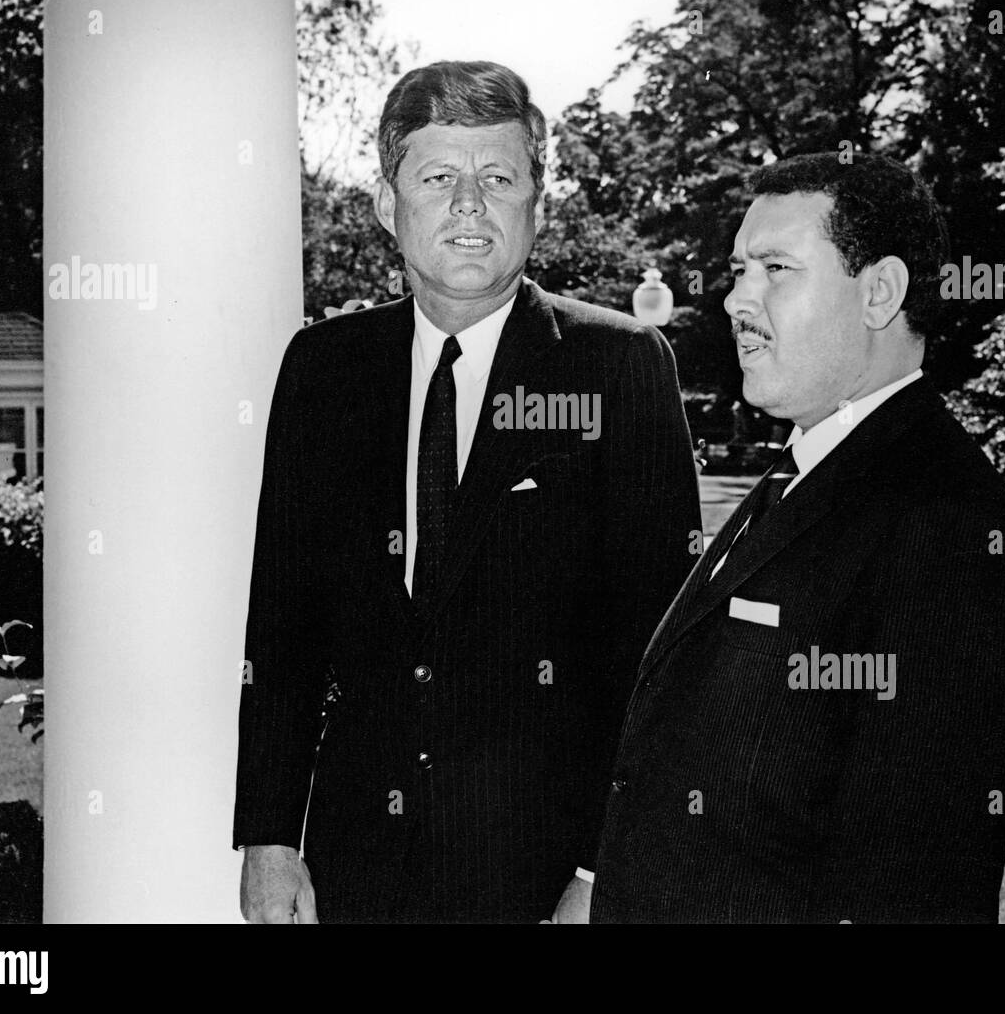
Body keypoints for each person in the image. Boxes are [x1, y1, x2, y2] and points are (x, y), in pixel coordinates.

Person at [233, 61, 701, 923]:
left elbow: (656, 655)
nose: (469, 207)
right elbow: (283, 623)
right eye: (439, 177)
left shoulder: (621, 366)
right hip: (356, 866)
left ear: (539, 205)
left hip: (545, 875)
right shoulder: (322, 371)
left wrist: (602, 875)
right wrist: (269, 838)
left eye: (498, 178)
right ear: (388, 204)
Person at [592, 152, 1005, 924]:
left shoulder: (946, 526)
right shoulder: (802, 471)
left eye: (776, 268)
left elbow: (918, 884)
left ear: (879, 293)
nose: (738, 298)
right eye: (739, 269)